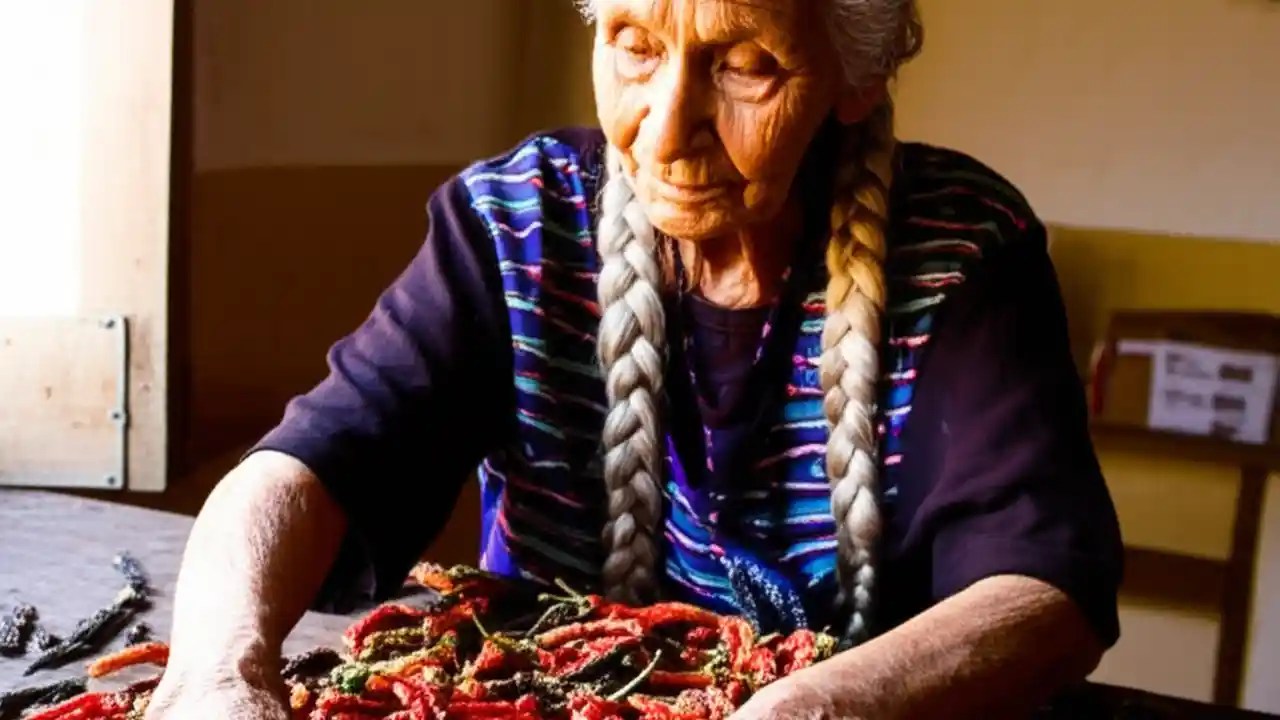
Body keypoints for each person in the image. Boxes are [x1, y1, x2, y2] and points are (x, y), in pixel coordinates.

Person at [146, 0, 1124, 717]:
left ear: (853, 77)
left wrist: (810, 710)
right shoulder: (514, 222)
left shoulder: (960, 253)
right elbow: (308, 465)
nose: (663, 132)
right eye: (633, 48)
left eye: (743, 65)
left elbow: (1040, 590)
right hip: (525, 695)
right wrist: (215, 673)